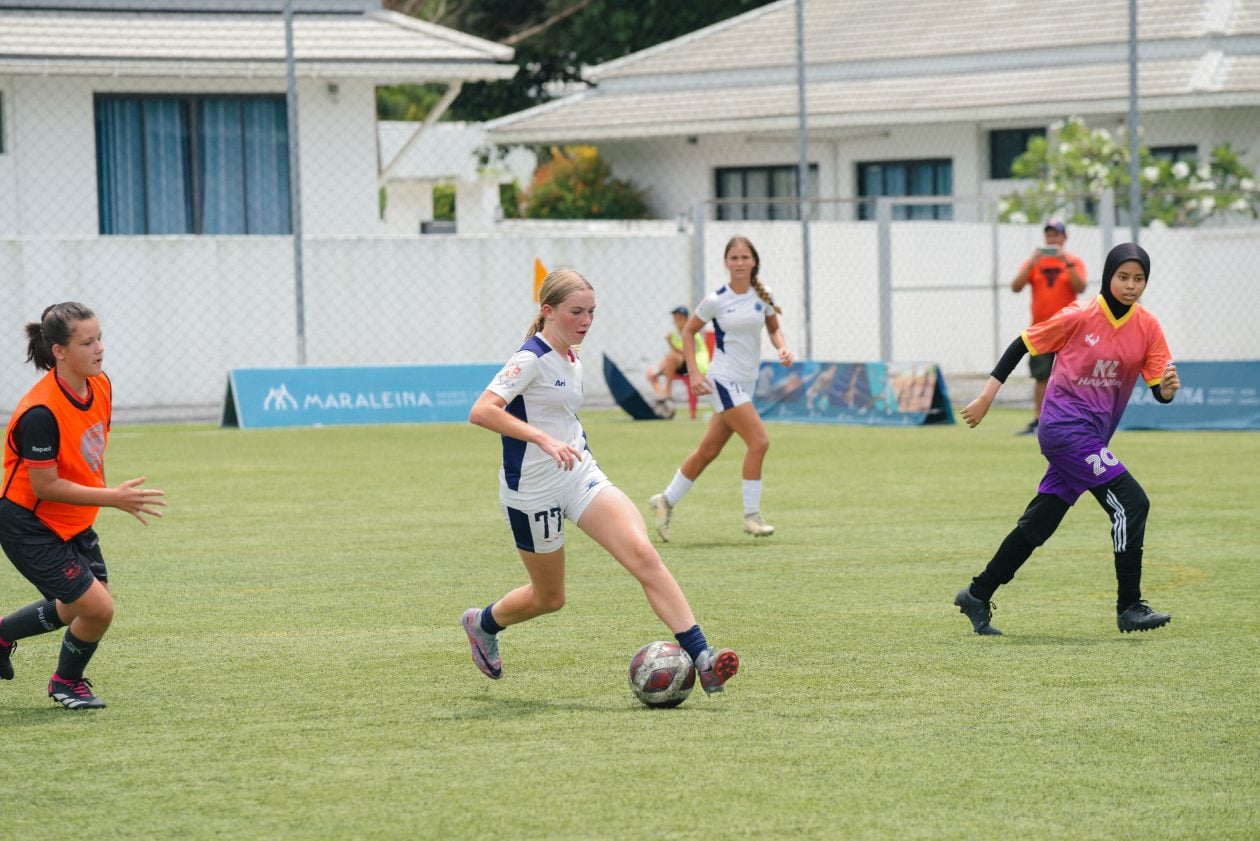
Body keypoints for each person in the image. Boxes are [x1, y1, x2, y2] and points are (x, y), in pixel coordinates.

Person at [460, 269, 738, 695]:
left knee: (644, 555)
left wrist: (562, 443)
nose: (586, 321)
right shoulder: (530, 358)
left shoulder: (572, 355)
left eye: (591, 311)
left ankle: (704, 659)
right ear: (548, 311)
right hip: (533, 492)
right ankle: (483, 623)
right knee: (549, 598)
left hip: (579, 474)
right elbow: (481, 411)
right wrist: (541, 439)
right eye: (576, 312)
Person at [953, 243, 1180, 636]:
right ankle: (1129, 607)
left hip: (1093, 438)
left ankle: (977, 593)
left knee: (1040, 521)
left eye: (1139, 278)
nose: (1130, 285)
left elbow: (1160, 386)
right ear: (1108, 276)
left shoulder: (1148, 327)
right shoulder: (1079, 316)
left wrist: (1168, 390)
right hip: (1063, 429)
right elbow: (1022, 343)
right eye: (1123, 277)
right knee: (1131, 502)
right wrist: (987, 397)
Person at [0, 302, 165, 709]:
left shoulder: (101, 384)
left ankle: (3, 634)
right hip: (28, 522)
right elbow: (45, 485)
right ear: (59, 351)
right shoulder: (40, 411)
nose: (99, 348)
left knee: (84, 605)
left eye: (100, 339)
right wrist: (114, 498)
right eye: (87, 342)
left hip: (71, 519)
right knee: (97, 609)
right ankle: (65, 683)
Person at [648, 235, 793, 541]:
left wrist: (782, 347)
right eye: (734, 258)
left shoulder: (764, 295)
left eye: (745, 257)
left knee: (709, 450)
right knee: (759, 442)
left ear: (754, 261)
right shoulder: (716, 300)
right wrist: (695, 372)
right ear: (726, 262)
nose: (739, 263)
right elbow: (689, 333)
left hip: (746, 382)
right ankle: (752, 517)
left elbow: (774, 329)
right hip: (723, 381)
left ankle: (665, 501)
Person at [1010, 217, 1087, 435]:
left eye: (1056, 234)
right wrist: (1032, 262)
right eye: (1049, 234)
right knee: (1041, 376)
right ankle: (1039, 420)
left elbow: (1080, 287)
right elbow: (1015, 286)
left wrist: (1066, 262)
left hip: (1069, 329)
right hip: (1042, 329)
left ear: (1064, 237)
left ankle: (1070, 420)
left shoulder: (1074, 261)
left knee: (1071, 377)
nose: (1052, 239)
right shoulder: (1035, 262)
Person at [645, 306, 711, 419]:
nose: (676, 322)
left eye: (679, 319)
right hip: (682, 365)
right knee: (651, 373)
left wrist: (670, 342)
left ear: (687, 320)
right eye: (675, 319)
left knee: (671, 357)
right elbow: (675, 356)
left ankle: (667, 395)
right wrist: (658, 368)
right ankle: (662, 400)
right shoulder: (676, 335)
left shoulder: (692, 333)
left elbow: (686, 353)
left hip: (696, 366)